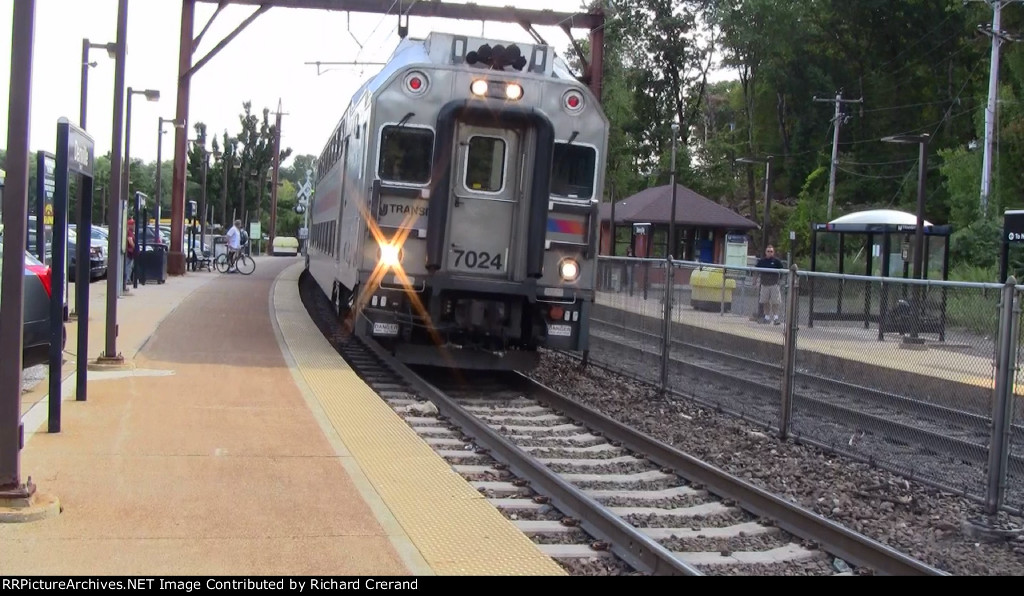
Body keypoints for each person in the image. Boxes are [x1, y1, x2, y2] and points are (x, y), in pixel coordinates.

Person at [755, 244, 784, 325]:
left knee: (775, 302)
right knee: (765, 301)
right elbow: (756, 271)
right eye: (768, 251)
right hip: (764, 284)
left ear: (773, 252)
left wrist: (779, 281)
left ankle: (776, 318)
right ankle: (767, 317)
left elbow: (782, 271)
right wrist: (755, 282)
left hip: (774, 284)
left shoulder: (777, 261)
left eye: (771, 251)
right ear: (765, 252)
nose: (769, 253)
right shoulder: (761, 261)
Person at [124, 218, 136, 290]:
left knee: (129, 266)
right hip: (129, 252)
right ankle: (127, 279)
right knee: (128, 266)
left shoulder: (131, 232)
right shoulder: (129, 232)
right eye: (132, 224)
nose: (134, 225)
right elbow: (130, 241)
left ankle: (127, 279)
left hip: (131, 252)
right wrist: (135, 247)